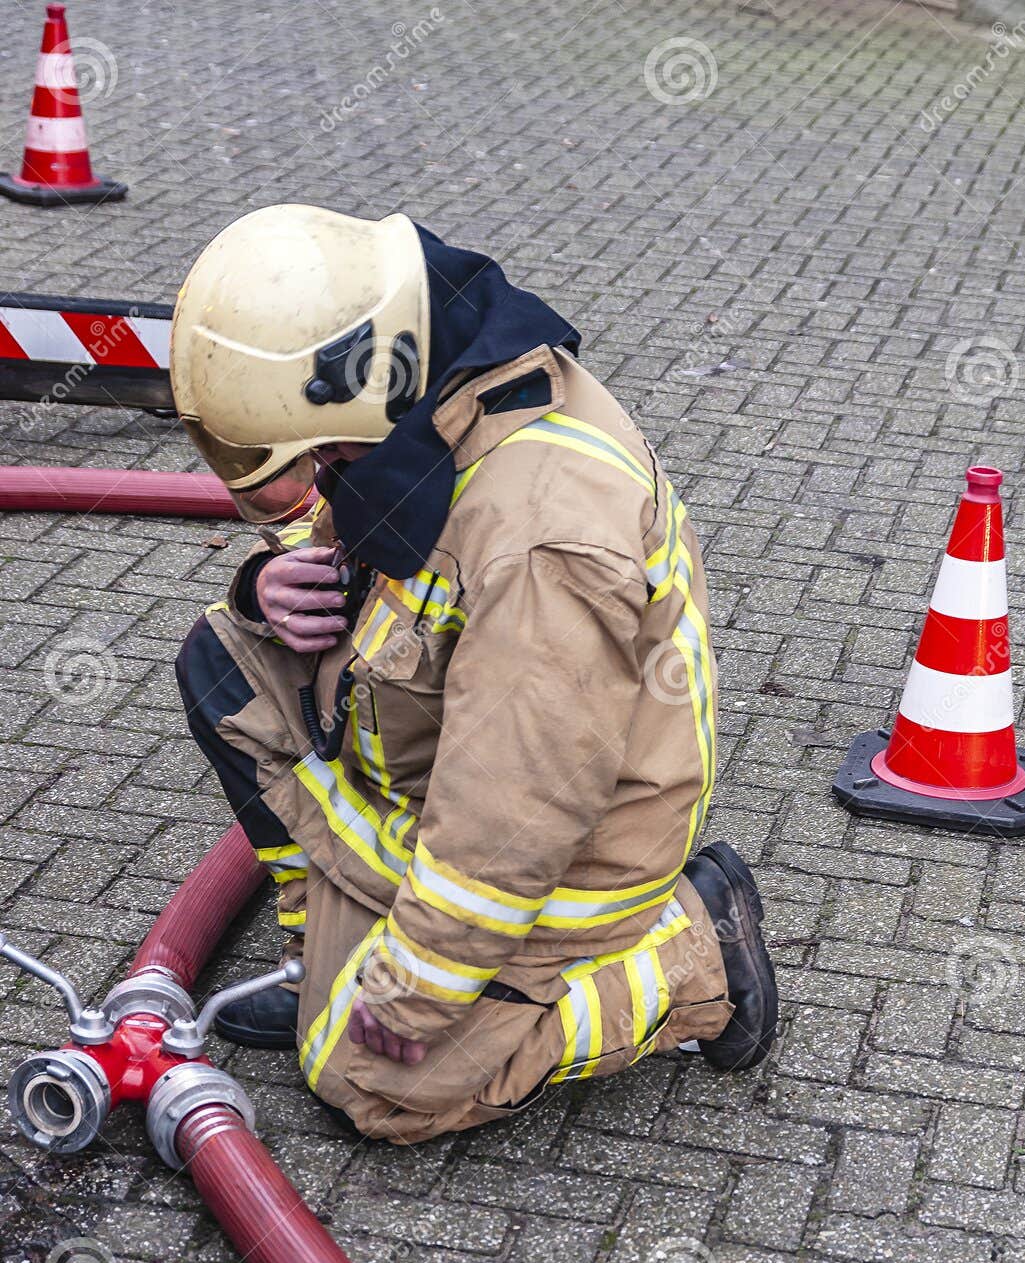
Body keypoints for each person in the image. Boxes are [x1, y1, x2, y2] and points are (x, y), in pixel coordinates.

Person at [171, 204, 778, 1144]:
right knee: (226, 664)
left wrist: (402, 1007)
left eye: (323, 456)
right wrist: (268, 585)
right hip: (430, 766)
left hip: (562, 857)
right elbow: (356, 524)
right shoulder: (427, 389)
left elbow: (510, 827)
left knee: (370, 1084)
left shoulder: (541, 539)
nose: (321, 480)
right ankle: (317, 950)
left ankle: (691, 957)